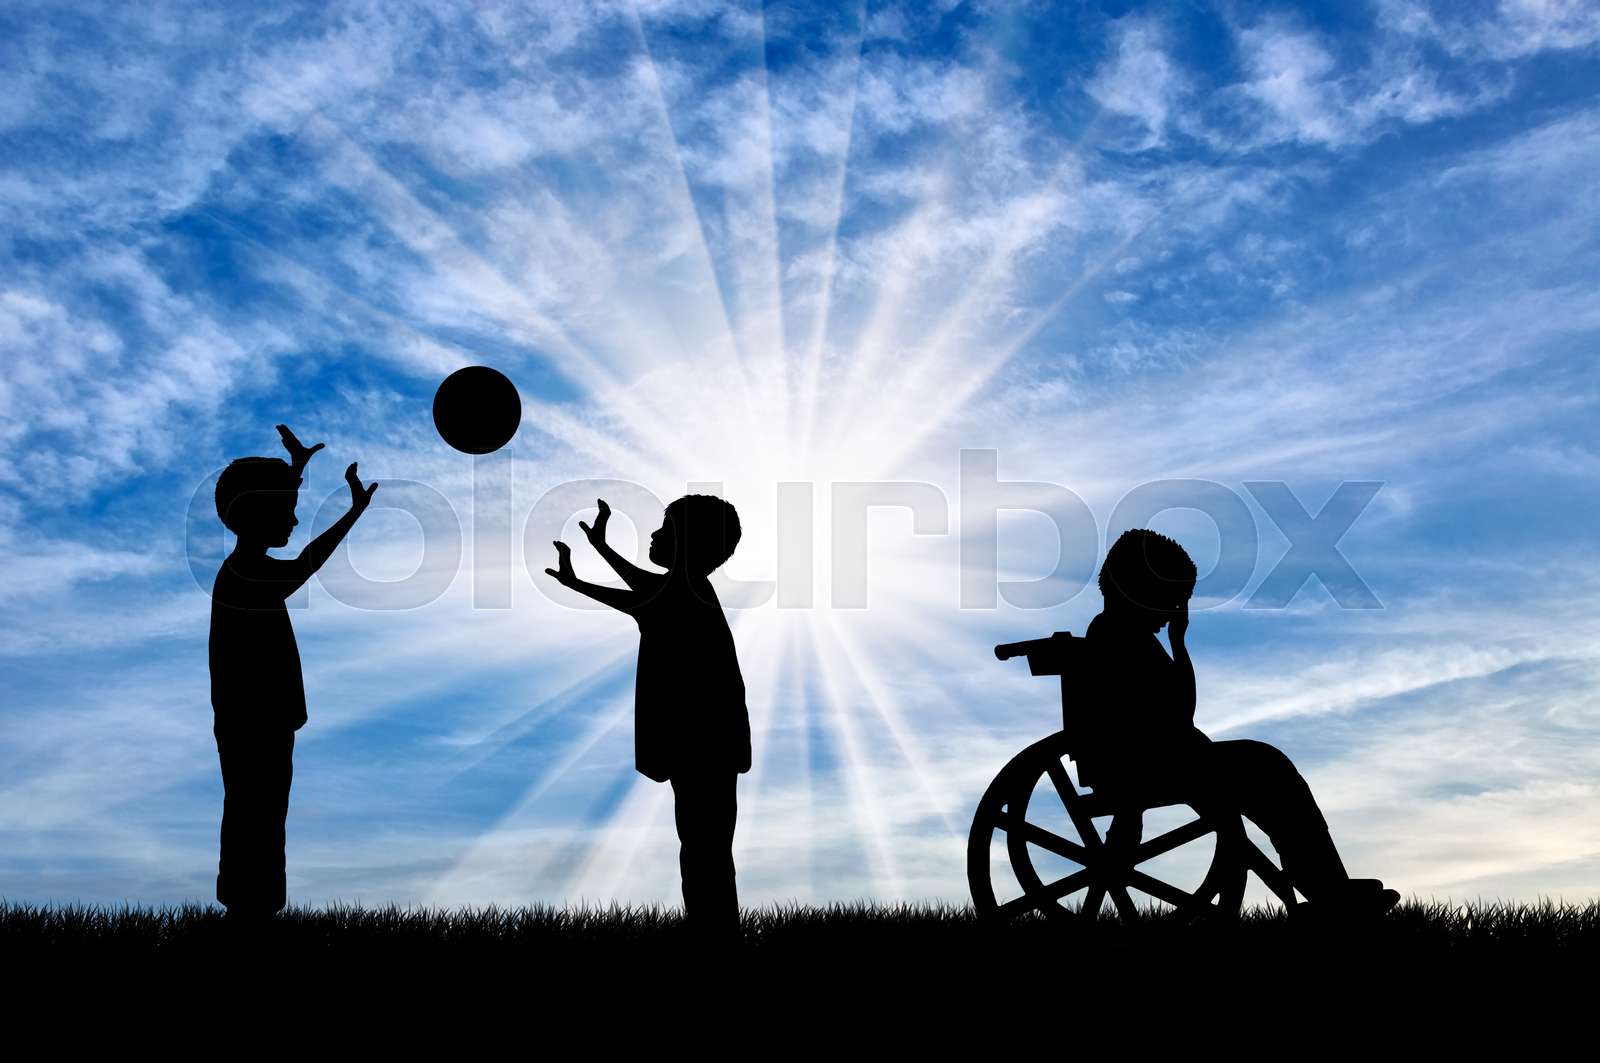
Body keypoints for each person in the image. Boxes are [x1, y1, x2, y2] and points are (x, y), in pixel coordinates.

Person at [1074, 528, 1398, 918]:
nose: (1176, 610)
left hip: (1160, 757)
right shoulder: (1119, 637)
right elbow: (1180, 714)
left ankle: (1321, 883)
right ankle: (1323, 885)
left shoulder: (1119, 633)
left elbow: (1176, 714)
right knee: (1268, 768)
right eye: (1172, 600)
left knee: (1269, 773)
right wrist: (1179, 643)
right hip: (1152, 762)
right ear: (1141, 589)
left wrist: (1176, 644)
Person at [546, 496, 751, 932]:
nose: (655, 535)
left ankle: (715, 938)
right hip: (710, 744)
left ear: (689, 541)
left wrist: (585, 570)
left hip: (705, 744)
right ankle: (715, 933)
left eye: (666, 527)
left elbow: (641, 598)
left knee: (703, 851)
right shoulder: (687, 588)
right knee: (703, 849)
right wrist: (594, 555)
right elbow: (644, 591)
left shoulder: (685, 593)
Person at [208, 424, 377, 921]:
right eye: (286, 509)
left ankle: (254, 904)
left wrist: (297, 470)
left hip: (262, 719)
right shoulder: (244, 574)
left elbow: (266, 506)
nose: (295, 514)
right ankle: (249, 906)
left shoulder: (242, 567)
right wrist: (352, 514)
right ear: (256, 514)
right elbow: (302, 565)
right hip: (252, 721)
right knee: (254, 810)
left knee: (261, 810)